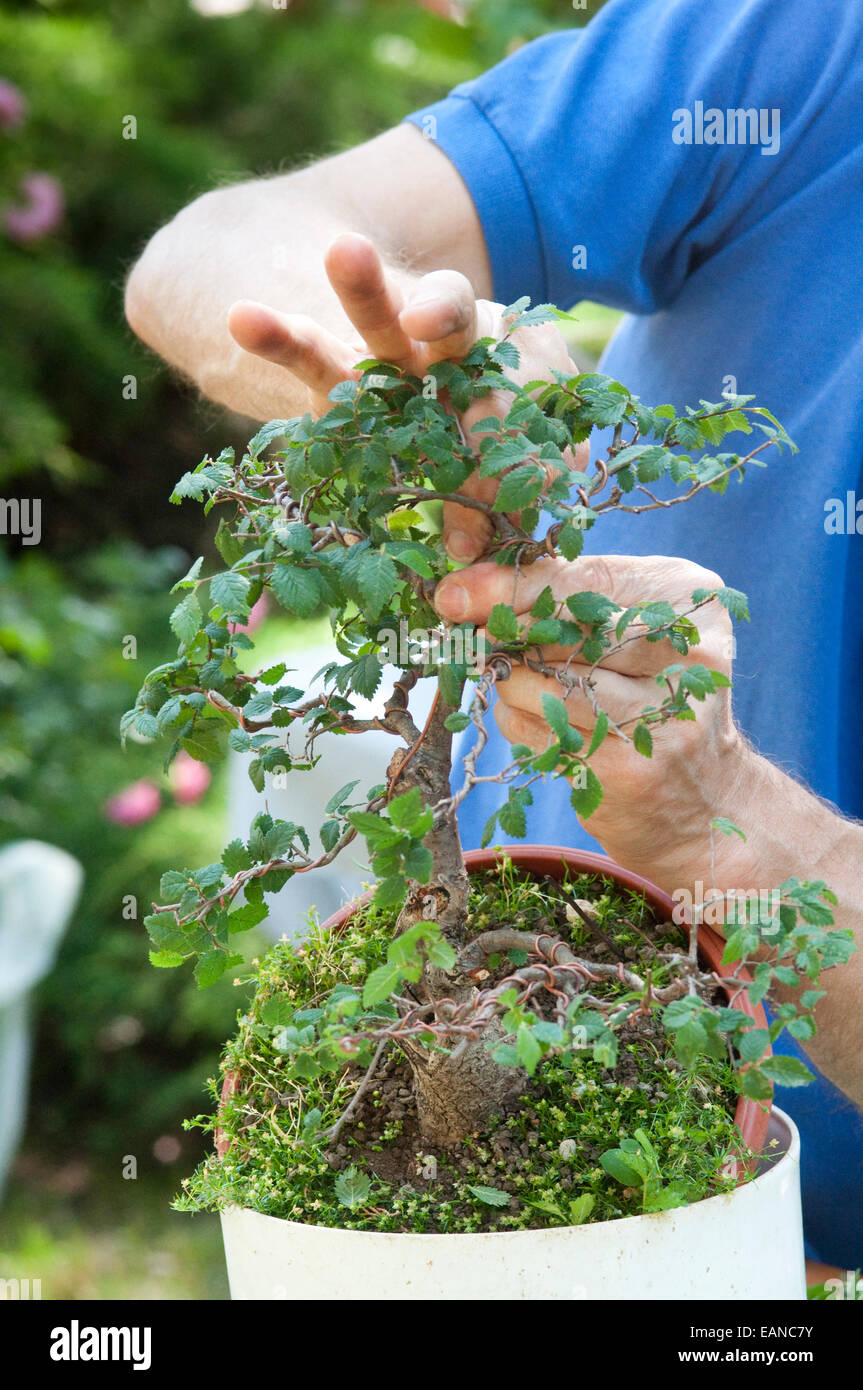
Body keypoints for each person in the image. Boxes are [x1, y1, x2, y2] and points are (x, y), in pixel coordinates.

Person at [125, 0, 863, 1272]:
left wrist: (721, 820)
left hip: (738, 1214)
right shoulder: (800, 49)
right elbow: (204, 253)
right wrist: (388, 356)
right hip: (609, 1020)